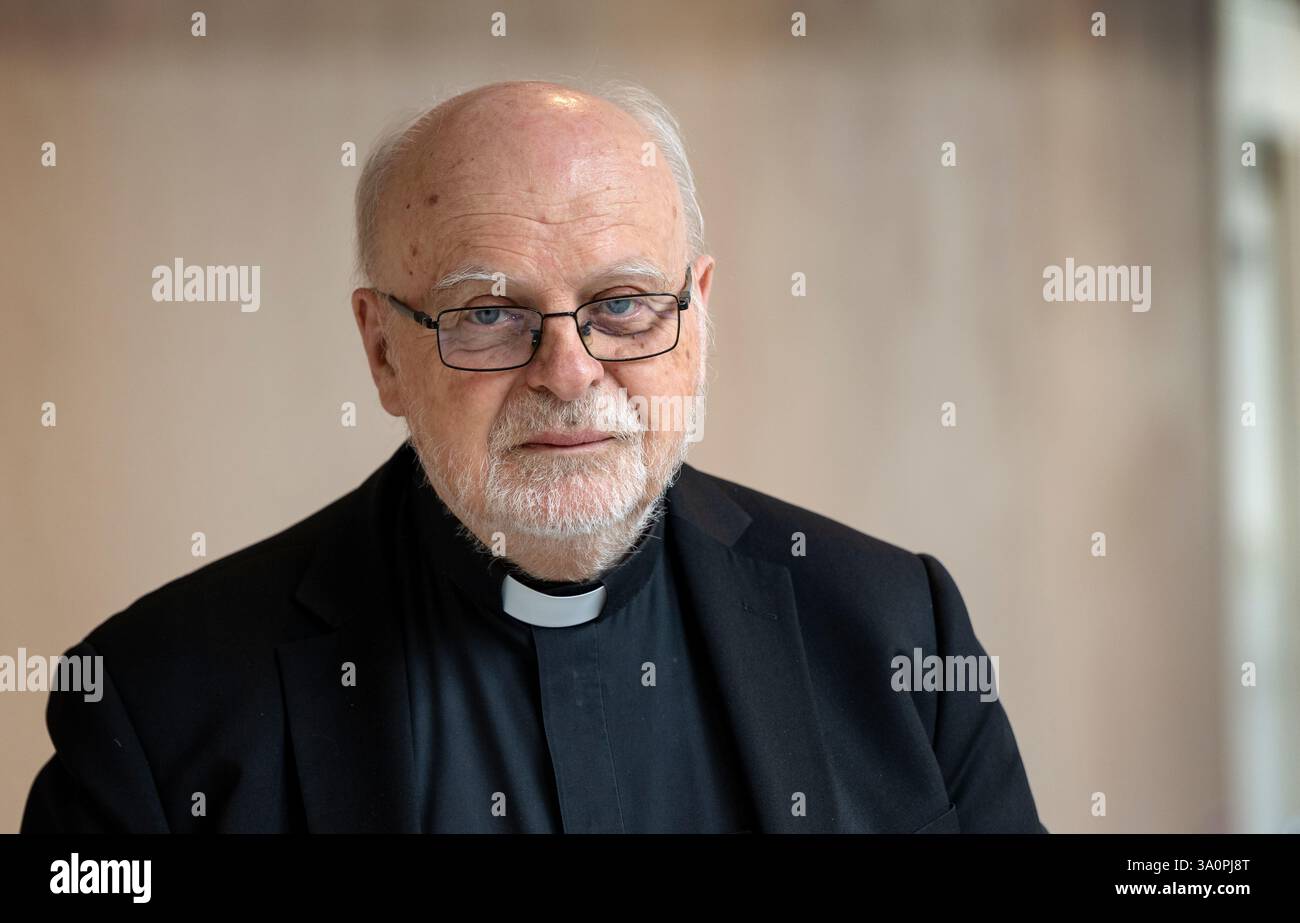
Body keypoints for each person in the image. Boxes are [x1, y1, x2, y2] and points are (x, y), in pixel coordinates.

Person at [22, 79, 1045, 833]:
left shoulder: (896, 628)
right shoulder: (159, 702)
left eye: (622, 303)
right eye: (488, 313)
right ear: (382, 350)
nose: (567, 369)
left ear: (698, 313)